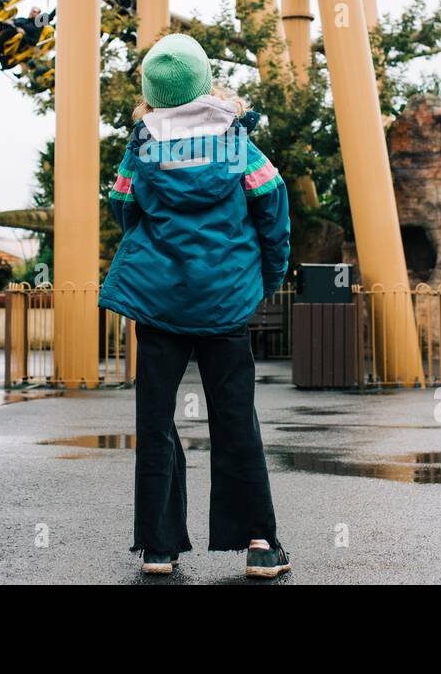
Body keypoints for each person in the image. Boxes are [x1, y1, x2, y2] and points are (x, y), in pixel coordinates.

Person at [98, 33, 292, 579]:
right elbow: (273, 214)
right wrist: (266, 278)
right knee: (235, 422)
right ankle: (259, 544)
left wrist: (160, 255)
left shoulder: (141, 147)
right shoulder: (238, 146)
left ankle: (160, 547)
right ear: (206, 82)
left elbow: (122, 208)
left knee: (155, 420)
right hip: (226, 303)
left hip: (159, 304)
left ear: (152, 92)